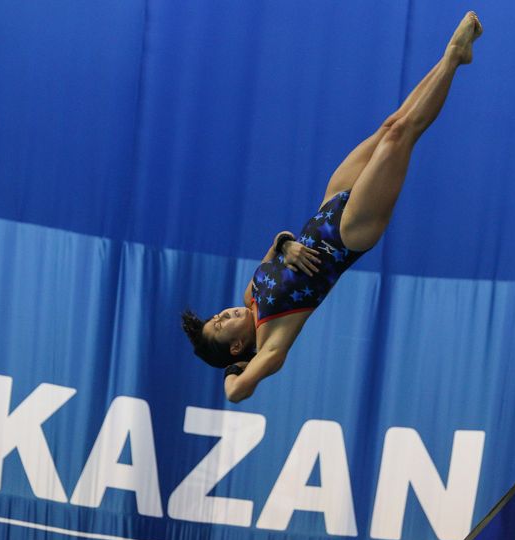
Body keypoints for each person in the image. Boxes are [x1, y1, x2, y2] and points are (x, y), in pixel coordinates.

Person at [182, 11, 483, 402]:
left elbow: (279, 242)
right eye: (221, 326)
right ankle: (454, 56)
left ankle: (451, 57)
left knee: (389, 126)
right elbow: (235, 392)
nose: (223, 315)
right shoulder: (273, 343)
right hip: (348, 234)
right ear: (236, 348)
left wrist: (286, 245)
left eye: (217, 315)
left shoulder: (249, 294)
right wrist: (235, 371)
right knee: (401, 138)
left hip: (328, 204)